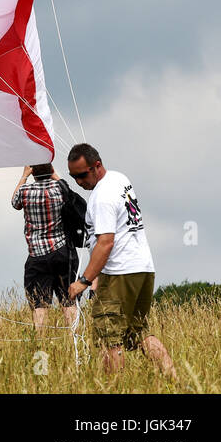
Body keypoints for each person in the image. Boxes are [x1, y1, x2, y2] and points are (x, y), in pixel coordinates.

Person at [65, 143, 176, 379]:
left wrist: (84, 280)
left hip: (120, 273)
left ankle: (113, 388)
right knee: (139, 333)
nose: (79, 182)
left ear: (97, 166)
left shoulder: (101, 197)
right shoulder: (119, 178)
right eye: (73, 176)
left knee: (108, 338)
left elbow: (106, 242)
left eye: (82, 175)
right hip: (143, 269)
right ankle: (175, 380)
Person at [11, 163, 78, 330]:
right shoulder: (59, 189)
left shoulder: (25, 191)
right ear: (50, 170)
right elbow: (69, 193)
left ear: (33, 172)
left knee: (39, 304)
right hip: (62, 250)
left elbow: (14, 203)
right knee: (68, 300)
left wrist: (24, 175)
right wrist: (54, 174)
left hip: (37, 254)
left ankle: (40, 344)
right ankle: (74, 339)